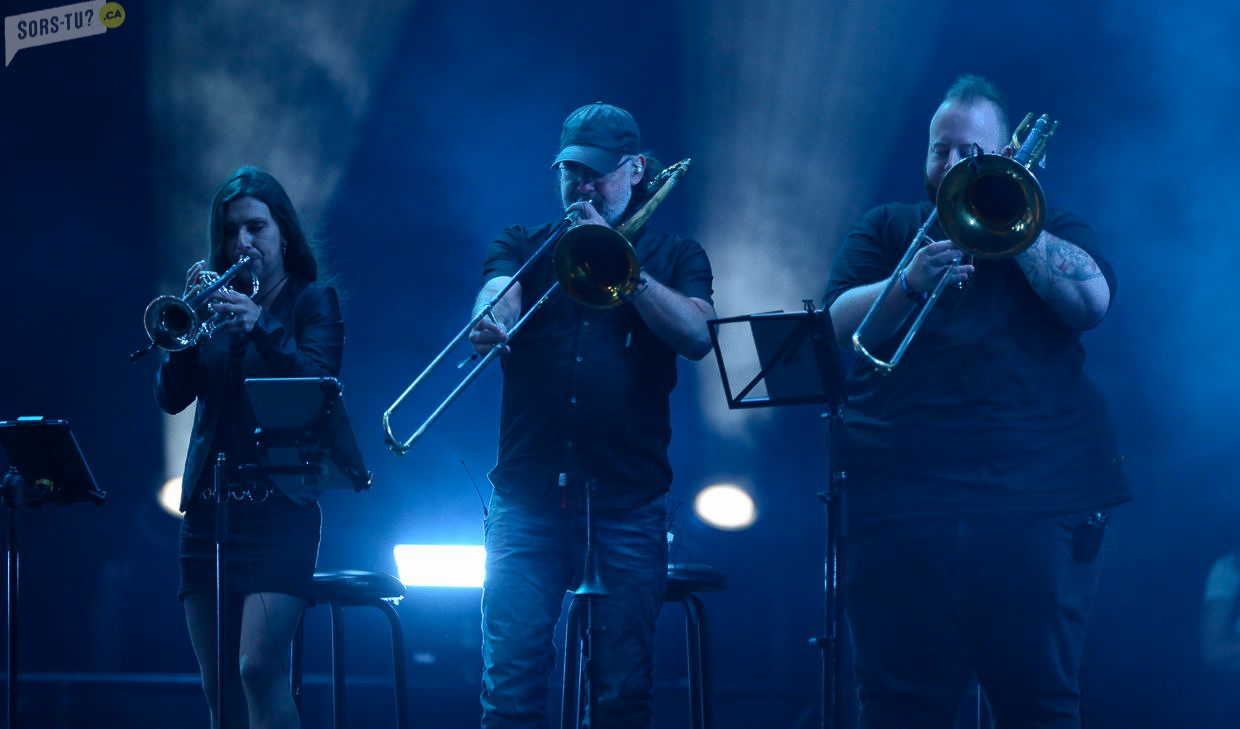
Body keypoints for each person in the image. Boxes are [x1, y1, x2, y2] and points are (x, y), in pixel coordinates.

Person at [822, 76, 1130, 728]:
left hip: (1035, 497)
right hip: (902, 503)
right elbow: (840, 325)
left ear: (1008, 155)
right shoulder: (890, 228)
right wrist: (909, 279)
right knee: (898, 705)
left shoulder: (1050, 224)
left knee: (1038, 702)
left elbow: (1092, 302)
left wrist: (1013, 224)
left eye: (970, 151)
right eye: (941, 150)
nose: (952, 164)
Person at [470, 102, 715, 728]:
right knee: (511, 692)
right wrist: (491, 314)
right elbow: (498, 287)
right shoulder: (526, 246)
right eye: (571, 171)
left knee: (620, 695)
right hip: (527, 501)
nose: (582, 185)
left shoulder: (676, 253)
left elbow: (696, 335)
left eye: (597, 172)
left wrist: (624, 274)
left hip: (626, 505)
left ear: (635, 172)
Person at [155, 166, 343, 729]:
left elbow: (318, 386)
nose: (243, 243)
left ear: (282, 231)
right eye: (232, 230)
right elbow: (170, 398)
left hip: (279, 510)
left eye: (256, 227)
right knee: (221, 689)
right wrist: (187, 338)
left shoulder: (314, 302)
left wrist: (261, 325)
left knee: (258, 667)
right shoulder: (213, 308)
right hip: (209, 514)